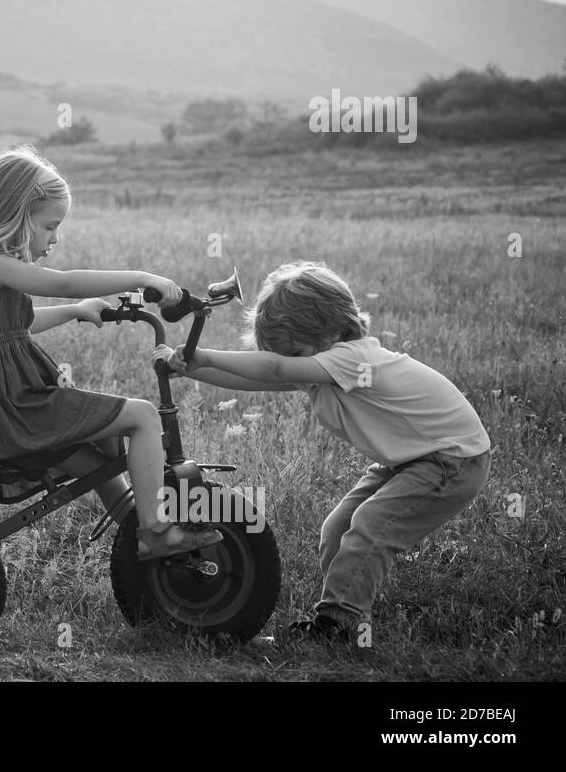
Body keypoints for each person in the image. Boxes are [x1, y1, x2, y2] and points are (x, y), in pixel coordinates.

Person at [0, 145, 222, 559]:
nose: (54, 238)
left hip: (11, 408)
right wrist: (146, 277)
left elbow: (13, 327)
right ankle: (155, 533)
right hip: (14, 412)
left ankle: (139, 544)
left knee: (99, 467)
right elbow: (64, 282)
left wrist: (75, 312)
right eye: (49, 226)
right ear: (15, 215)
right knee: (143, 416)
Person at [155, 261, 491, 641]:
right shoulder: (319, 365)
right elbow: (251, 379)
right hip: (412, 460)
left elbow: (275, 370)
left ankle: (338, 622)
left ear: (331, 330)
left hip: (452, 461)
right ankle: (346, 611)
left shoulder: (353, 359)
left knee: (370, 527)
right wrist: (188, 368)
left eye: (295, 352)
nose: (292, 362)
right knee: (337, 528)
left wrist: (207, 355)